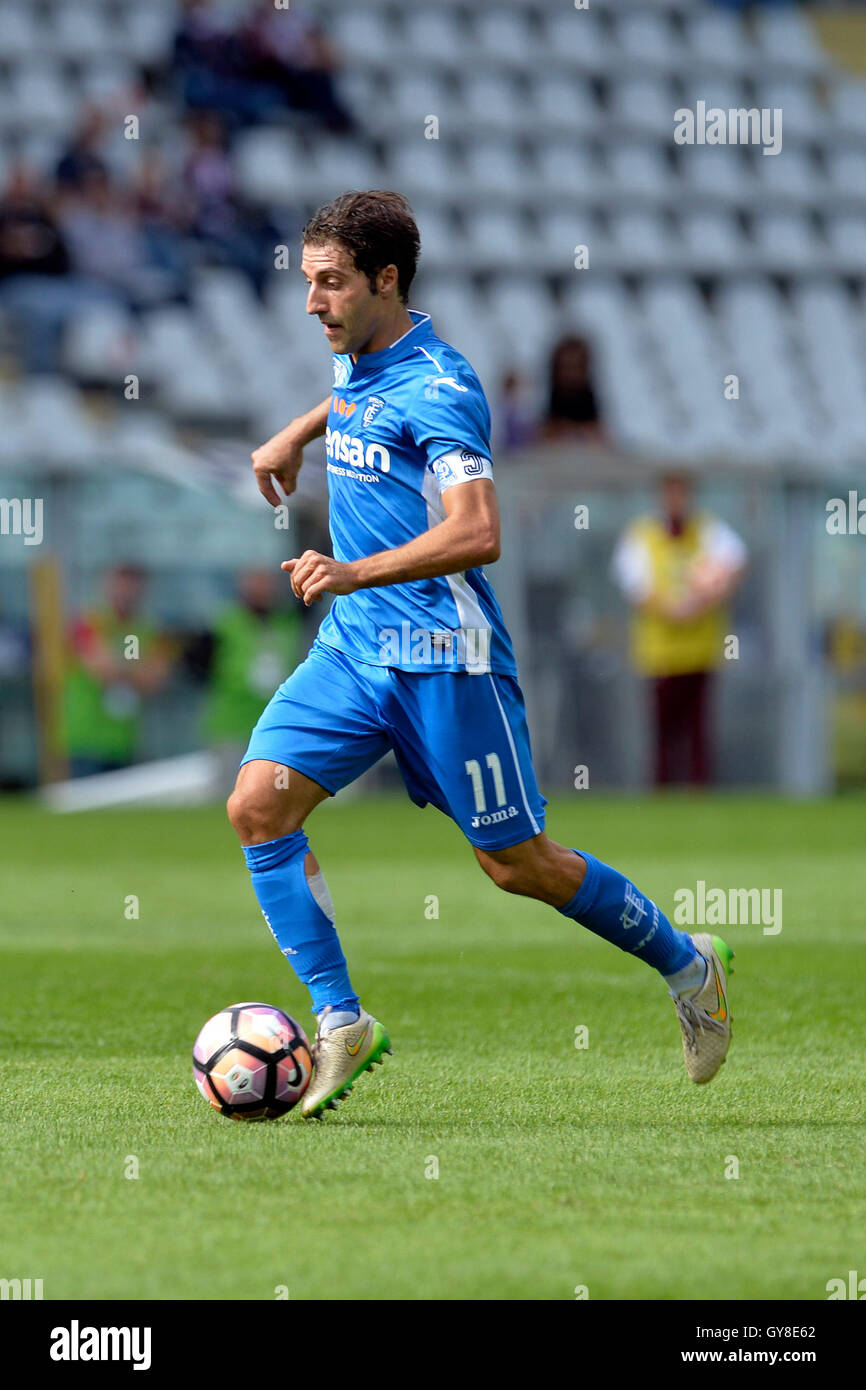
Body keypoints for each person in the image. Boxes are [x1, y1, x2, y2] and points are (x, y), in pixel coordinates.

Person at [227, 191, 735, 1119]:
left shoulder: (443, 387)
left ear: (387, 281)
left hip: (443, 658)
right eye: (308, 283)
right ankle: (340, 1020)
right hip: (354, 653)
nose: (312, 303)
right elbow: (356, 396)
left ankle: (686, 962)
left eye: (330, 283)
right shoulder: (363, 355)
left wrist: (350, 570)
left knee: (517, 864)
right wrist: (299, 433)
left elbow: (479, 530)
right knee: (258, 805)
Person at [612, 471, 748, 787]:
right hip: (659, 651)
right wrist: (672, 610)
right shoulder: (642, 534)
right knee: (662, 727)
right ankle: (662, 787)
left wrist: (706, 597)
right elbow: (634, 587)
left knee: (699, 726)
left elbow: (736, 565)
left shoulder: (708, 530)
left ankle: (700, 787)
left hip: (700, 648)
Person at [64, 565, 171, 777]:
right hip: (86, 737)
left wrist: (121, 668)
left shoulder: (147, 626)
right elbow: (101, 667)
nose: (127, 592)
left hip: (125, 738)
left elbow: (157, 677)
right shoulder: (90, 620)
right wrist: (136, 669)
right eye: (122, 584)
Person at [204, 568, 304, 793]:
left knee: (273, 794)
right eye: (257, 582)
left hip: (276, 725)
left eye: (267, 582)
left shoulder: (287, 623)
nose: (263, 589)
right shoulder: (227, 623)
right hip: (233, 724)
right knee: (229, 792)